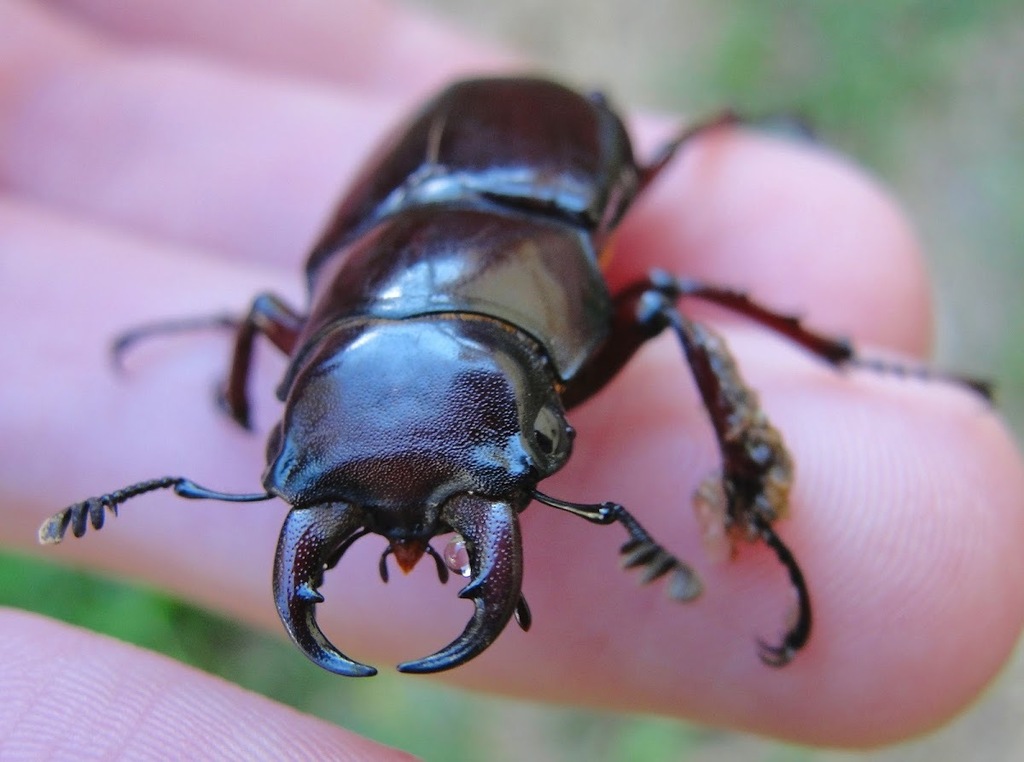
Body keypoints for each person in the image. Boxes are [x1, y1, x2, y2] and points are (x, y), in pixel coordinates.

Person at [2, 0, 1022, 756]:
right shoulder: (311, 296)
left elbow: (663, 309)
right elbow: (272, 317)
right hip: (431, 201)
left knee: (666, 279)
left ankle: (812, 324)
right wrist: (246, 401)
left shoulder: (536, 255)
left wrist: (748, 464)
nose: (408, 531)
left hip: (547, 150)